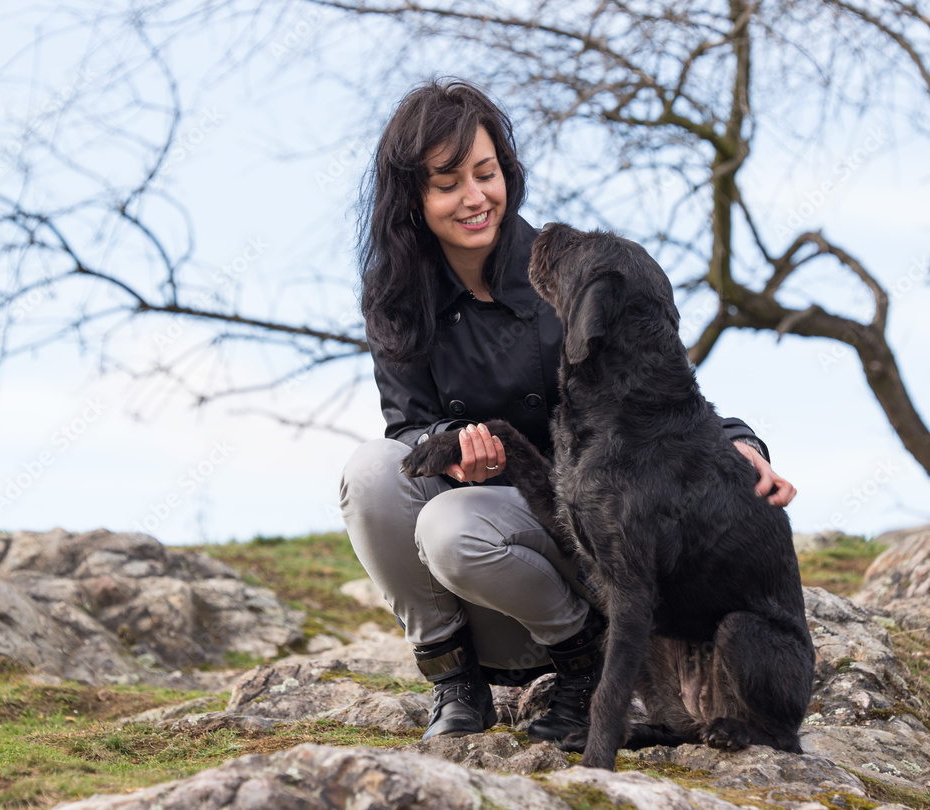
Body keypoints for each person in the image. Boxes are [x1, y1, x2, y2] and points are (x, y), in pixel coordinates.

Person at [338, 78, 797, 743]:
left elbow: (662, 398)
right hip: (485, 565)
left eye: (485, 173)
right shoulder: (395, 291)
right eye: (447, 182)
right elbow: (407, 427)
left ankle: (583, 666)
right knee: (372, 473)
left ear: (507, 173)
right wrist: (456, 445)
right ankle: (455, 683)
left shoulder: (571, 272)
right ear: (412, 195)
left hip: (582, 550)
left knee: (450, 525)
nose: (474, 198)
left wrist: (742, 445)